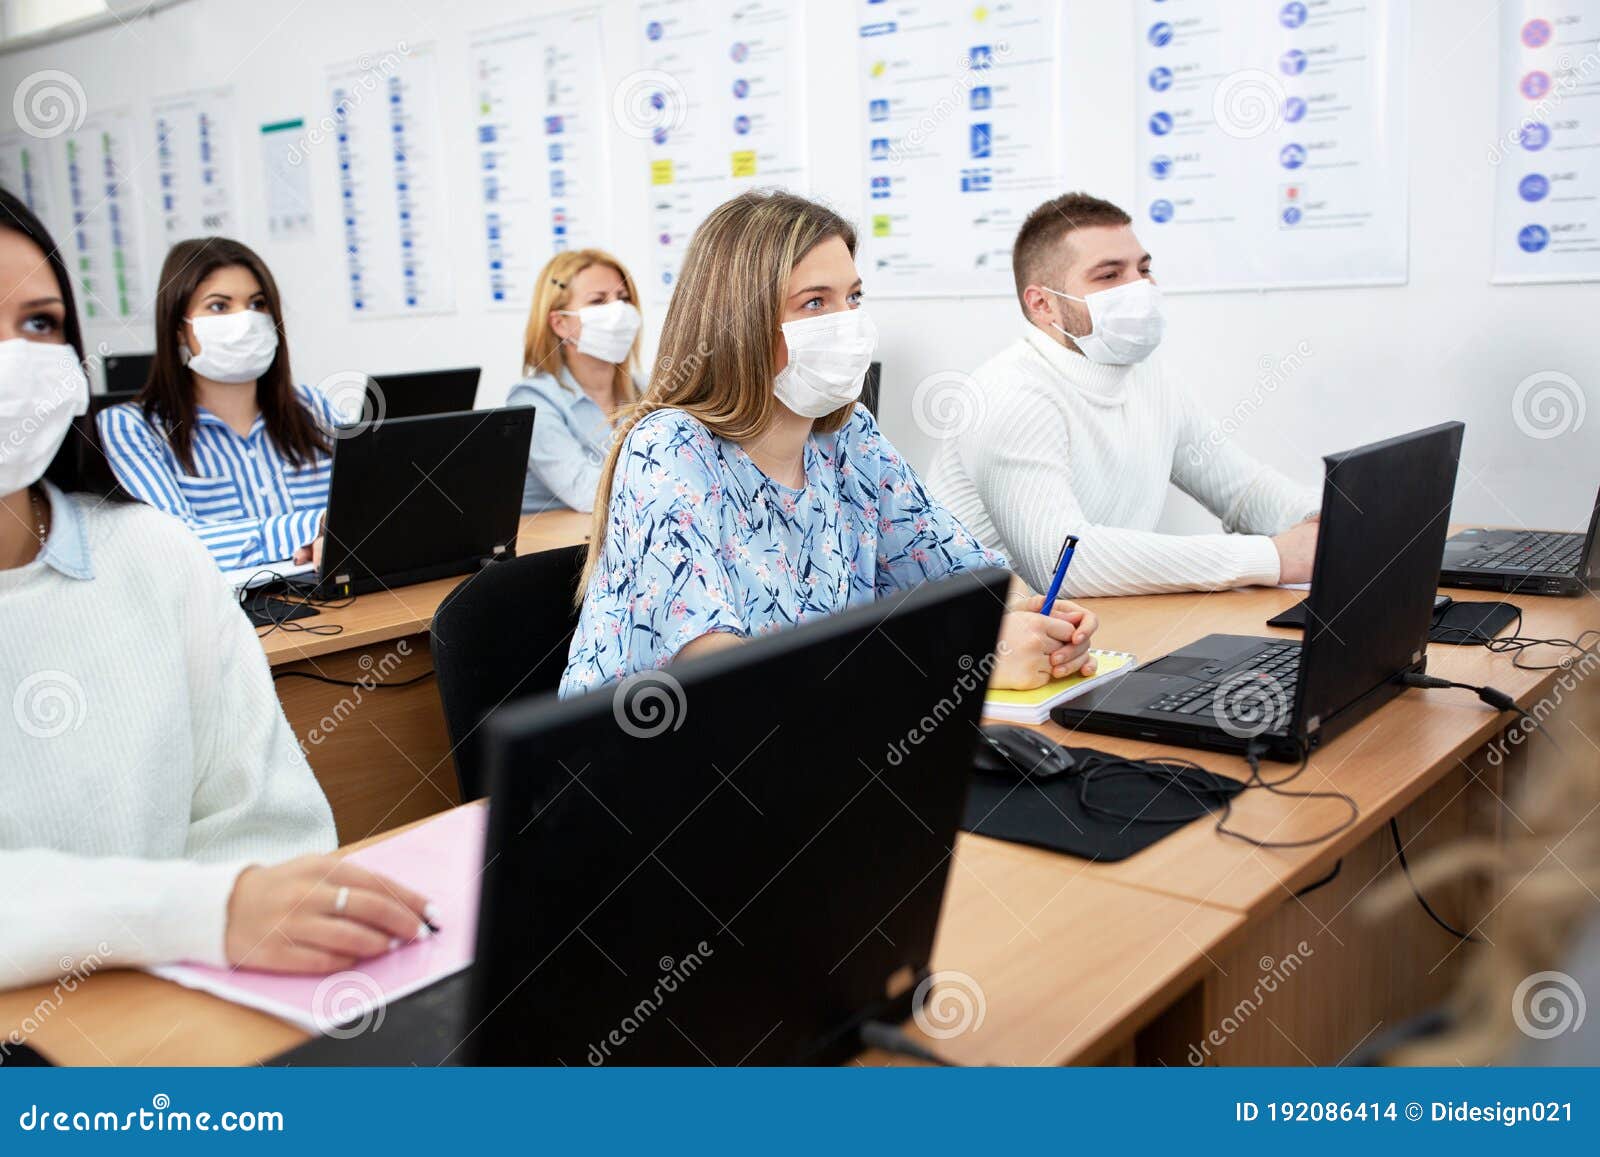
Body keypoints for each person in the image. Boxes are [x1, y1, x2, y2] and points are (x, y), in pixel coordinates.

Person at [0, 189, 431, 989]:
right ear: (177, 327)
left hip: (204, 998)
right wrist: (203, 910)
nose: (12, 354)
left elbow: (273, 832)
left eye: (39, 323)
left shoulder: (157, 558)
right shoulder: (142, 436)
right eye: (221, 304)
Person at [560, 190, 1099, 698]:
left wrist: (1039, 619)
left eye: (854, 297)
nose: (848, 323)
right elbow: (722, 677)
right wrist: (960, 660)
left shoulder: (848, 437)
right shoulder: (669, 448)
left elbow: (963, 575)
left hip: (807, 750)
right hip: (646, 771)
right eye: (815, 303)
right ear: (738, 322)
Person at [927, 192, 1321, 598]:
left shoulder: (1148, 376)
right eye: (1109, 275)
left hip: (1096, 626)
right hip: (986, 644)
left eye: (1144, 269)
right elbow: (1062, 564)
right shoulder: (1009, 393)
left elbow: (1242, 492)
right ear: (1042, 303)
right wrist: (1272, 557)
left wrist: (1337, 524)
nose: (1141, 288)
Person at [98, 237, 342, 571]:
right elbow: (171, 544)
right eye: (219, 306)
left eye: (258, 304)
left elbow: (378, 502)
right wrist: (314, 526)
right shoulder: (131, 428)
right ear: (178, 330)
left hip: (337, 605)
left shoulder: (315, 407)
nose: (246, 320)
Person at [509, 249, 645, 513]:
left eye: (623, 298)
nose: (617, 311)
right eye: (598, 301)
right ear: (560, 323)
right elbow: (586, 492)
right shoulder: (532, 401)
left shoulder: (648, 390)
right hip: (553, 548)